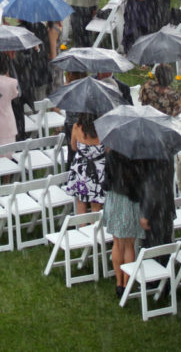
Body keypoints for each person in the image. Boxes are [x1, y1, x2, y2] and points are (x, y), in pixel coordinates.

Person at [103, 150, 146, 299]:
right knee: (129, 245)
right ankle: (126, 284)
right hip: (131, 200)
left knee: (117, 243)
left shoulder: (111, 153)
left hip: (115, 198)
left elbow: (106, 178)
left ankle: (119, 282)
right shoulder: (139, 155)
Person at [62, 112, 106, 214]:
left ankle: (81, 227)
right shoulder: (103, 128)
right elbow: (107, 149)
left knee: (81, 202)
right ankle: (94, 228)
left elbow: (73, 147)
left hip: (81, 168)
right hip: (99, 169)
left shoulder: (76, 127)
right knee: (96, 204)